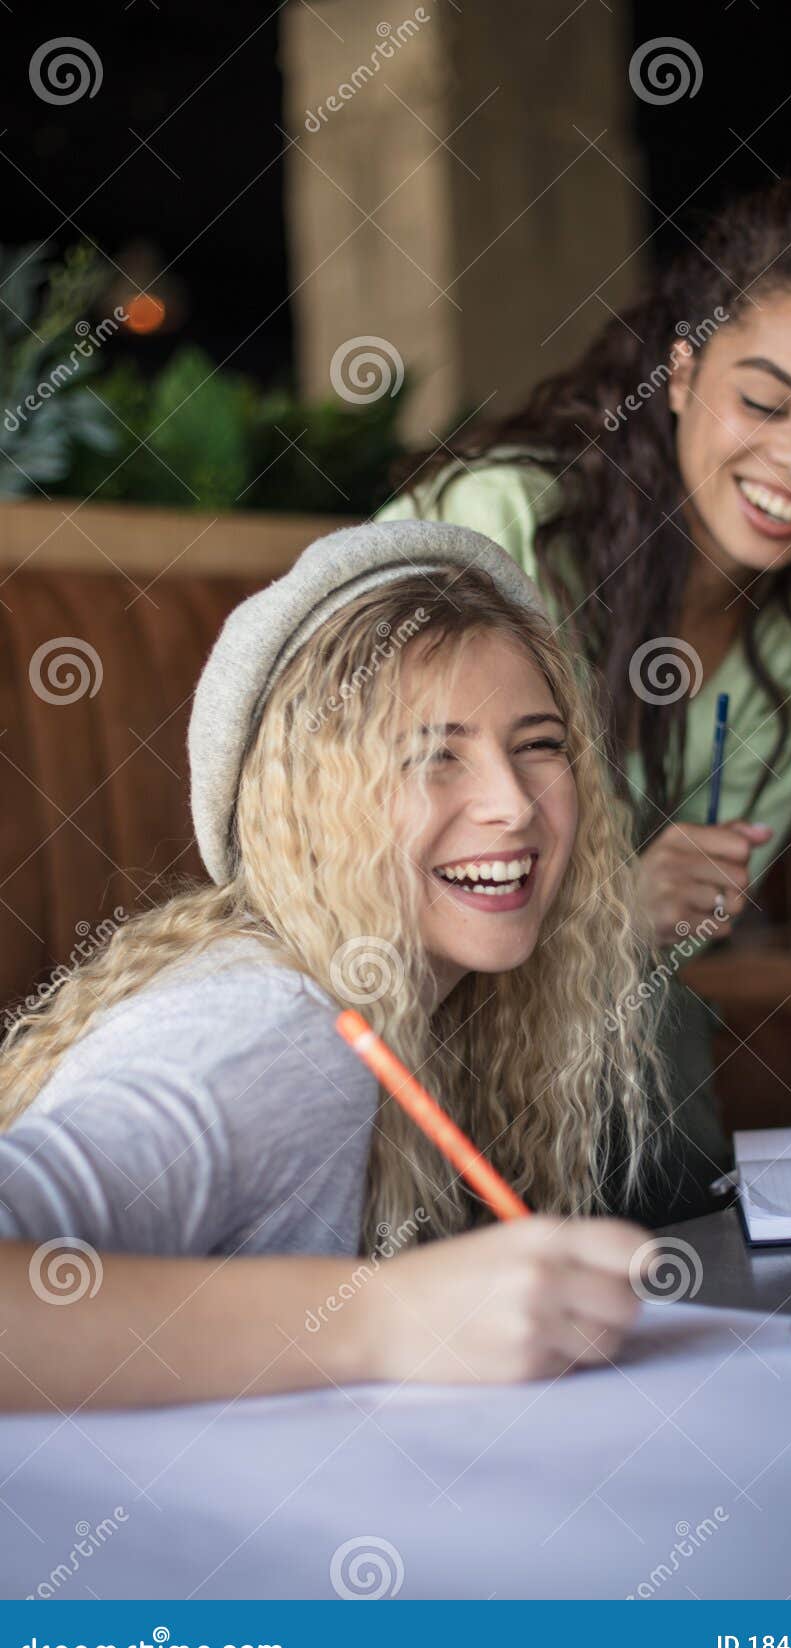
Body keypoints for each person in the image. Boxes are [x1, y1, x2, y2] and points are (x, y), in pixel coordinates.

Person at [0, 520, 726, 1414]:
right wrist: (385, 1321)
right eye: (432, 756)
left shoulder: (450, 1009)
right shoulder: (270, 1032)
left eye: (538, 744)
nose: (511, 806)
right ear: (308, 807)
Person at [376, 177, 791, 950]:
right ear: (680, 374)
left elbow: (687, 926)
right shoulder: (497, 521)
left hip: (595, 1012)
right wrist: (617, 915)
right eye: (765, 405)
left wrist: (639, 923)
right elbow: (348, 845)